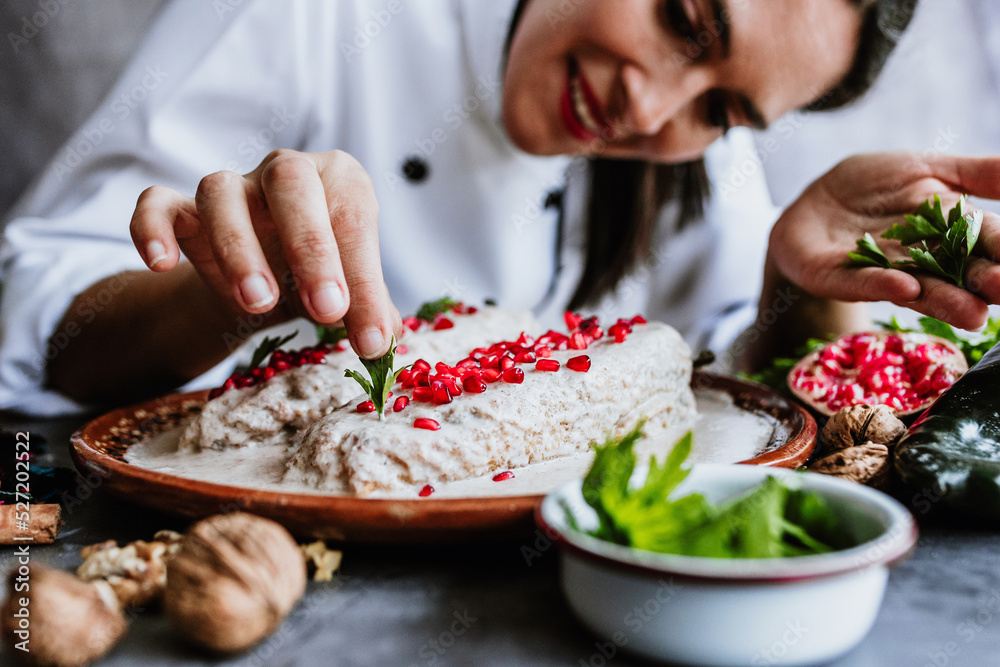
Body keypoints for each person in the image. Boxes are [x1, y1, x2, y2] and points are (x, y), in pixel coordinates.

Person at [2, 0, 998, 416]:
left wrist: (798, 280)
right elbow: (38, 323)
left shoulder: (694, 158)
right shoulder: (323, 18)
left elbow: (731, 379)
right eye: (683, 21)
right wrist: (231, 294)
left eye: (724, 107)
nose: (648, 110)